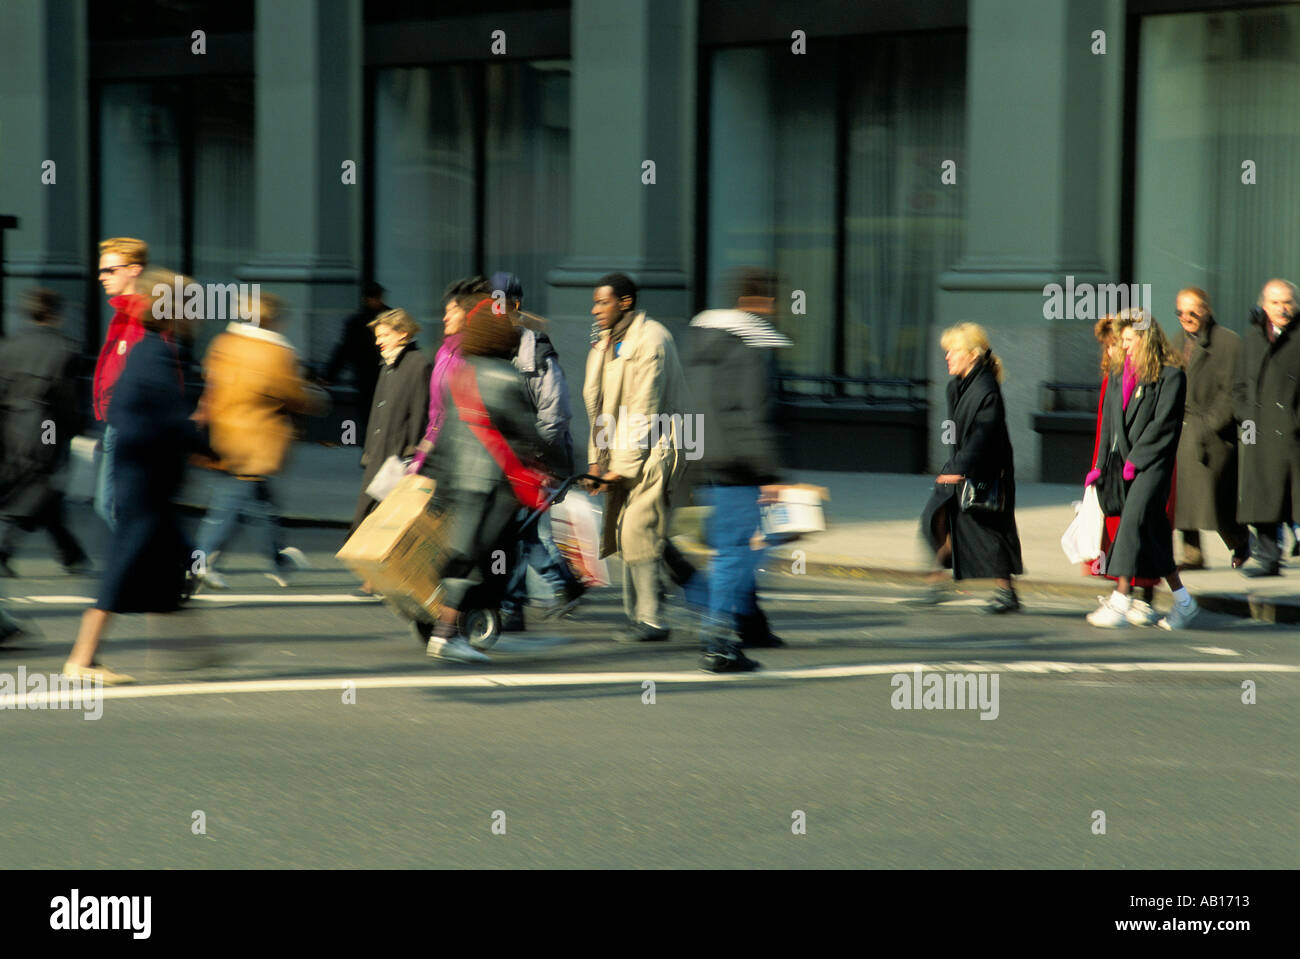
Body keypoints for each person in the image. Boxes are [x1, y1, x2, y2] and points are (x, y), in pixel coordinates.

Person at [64, 268, 205, 685]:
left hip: (145, 479)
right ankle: (81, 659)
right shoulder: (158, 355)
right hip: (144, 483)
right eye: (191, 306)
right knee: (121, 568)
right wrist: (207, 443)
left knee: (170, 562)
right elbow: (168, 423)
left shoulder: (153, 349)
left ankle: (193, 652)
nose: (198, 315)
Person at [417, 297, 545, 663]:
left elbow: (444, 433)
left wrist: (435, 479)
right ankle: (446, 634)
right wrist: (556, 461)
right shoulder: (506, 378)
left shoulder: (460, 373)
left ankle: (447, 628)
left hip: (457, 481)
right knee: (475, 558)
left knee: (465, 553)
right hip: (492, 486)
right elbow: (527, 434)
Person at [685, 267, 792, 672]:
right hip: (738, 464)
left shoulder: (700, 344)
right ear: (761, 303)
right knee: (739, 551)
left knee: (734, 549)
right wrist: (769, 472)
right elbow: (748, 414)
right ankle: (717, 642)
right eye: (773, 303)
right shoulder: (746, 347)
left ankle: (740, 623)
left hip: (705, 460)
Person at [582, 272, 695, 642]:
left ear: (625, 302)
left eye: (603, 302)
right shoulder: (606, 342)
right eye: (596, 302)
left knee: (636, 528)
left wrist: (621, 468)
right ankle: (665, 594)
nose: (595, 308)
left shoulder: (652, 340)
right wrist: (598, 460)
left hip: (664, 444)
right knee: (626, 529)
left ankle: (651, 620)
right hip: (628, 446)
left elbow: (644, 409)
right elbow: (599, 405)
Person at [192, 292, 329, 589]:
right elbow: (291, 394)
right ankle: (199, 560)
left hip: (223, 430)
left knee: (262, 502)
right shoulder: (275, 353)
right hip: (257, 438)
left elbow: (210, 379)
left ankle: (278, 560)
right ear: (273, 319)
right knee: (230, 502)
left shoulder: (224, 342)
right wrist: (317, 399)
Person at [1085, 311, 1198, 629]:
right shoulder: (1120, 373)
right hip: (1123, 465)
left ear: (1146, 340)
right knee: (1155, 535)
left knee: (1132, 522)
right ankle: (1185, 602)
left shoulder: (1172, 375)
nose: (1124, 346)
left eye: (1129, 340)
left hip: (1152, 466)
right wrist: (1099, 467)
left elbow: (1164, 424)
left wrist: (1138, 458)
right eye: (1122, 341)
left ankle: (1120, 599)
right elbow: (1109, 423)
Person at [489, 271, 586, 631]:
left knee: (523, 531)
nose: (498, 309)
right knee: (521, 532)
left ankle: (517, 606)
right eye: (492, 302)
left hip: (537, 459)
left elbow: (555, 411)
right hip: (509, 458)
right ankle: (559, 588)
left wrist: (534, 454)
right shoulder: (495, 347)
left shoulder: (539, 353)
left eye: (503, 302)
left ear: (516, 305)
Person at [919, 323, 1024, 612]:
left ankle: (1007, 593)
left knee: (988, 530)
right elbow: (953, 429)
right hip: (963, 464)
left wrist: (960, 466)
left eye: (953, 351)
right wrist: (952, 461)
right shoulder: (957, 387)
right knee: (940, 518)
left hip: (988, 471)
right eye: (947, 351)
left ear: (973, 355)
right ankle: (936, 579)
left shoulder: (986, 388)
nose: (947, 357)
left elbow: (985, 433)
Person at [0, 288, 91, 577]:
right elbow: (64, 399)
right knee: (41, 482)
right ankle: (4, 547)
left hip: (11, 425)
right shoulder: (64, 349)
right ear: (56, 314)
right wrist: (75, 426)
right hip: (45, 426)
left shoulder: (10, 346)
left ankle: (70, 552)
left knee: (42, 486)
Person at [1171, 287, 1249, 570]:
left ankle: (1239, 540)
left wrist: (1210, 425)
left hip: (1213, 433)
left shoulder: (1228, 343)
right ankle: (1192, 553)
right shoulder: (1177, 340)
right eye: (1180, 312)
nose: (1186, 317)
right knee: (1182, 497)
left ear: (1207, 310)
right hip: (1182, 429)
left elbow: (1231, 392)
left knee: (1215, 499)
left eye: (1193, 311)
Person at [1233, 278, 1300, 578]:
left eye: (1288, 302)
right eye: (1275, 302)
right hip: (1257, 430)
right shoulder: (1252, 338)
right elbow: (1239, 387)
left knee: (1294, 496)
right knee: (1262, 497)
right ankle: (1268, 559)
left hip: (1292, 432)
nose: (1282, 308)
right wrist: (1246, 418)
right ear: (1264, 304)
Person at [349, 308, 431, 537]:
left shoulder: (418, 364)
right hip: (378, 452)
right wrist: (368, 450)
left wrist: (410, 453)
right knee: (369, 517)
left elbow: (419, 412)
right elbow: (378, 409)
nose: (378, 342)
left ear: (402, 333)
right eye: (377, 336)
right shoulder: (388, 364)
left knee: (377, 519)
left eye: (384, 335)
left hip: (396, 455)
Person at [91, 237, 152, 530]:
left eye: (110, 270)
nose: (102, 277)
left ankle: (150, 570)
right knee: (120, 506)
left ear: (134, 270)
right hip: (118, 421)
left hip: (131, 422)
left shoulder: (144, 317)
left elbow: (156, 374)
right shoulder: (122, 314)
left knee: (111, 505)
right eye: (102, 270)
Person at [323, 281, 388, 434]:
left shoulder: (357, 322)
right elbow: (344, 350)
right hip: (371, 376)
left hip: (370, 376)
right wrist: (330, 374)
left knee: (371, 416)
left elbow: (344, 349)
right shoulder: (363, 321)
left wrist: (330, 375)